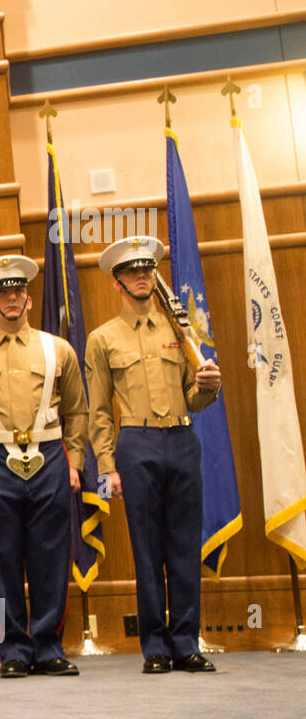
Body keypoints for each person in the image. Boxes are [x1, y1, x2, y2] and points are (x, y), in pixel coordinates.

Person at [0, 255, 89, 680]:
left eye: (19, 290)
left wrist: (75, 461)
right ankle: (12, 650)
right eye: (2, 292)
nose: (13, 298)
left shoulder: (57, 349)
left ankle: (48, 646)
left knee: (51, 554)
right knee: (1, 559)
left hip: (50, 458)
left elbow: (78, 412)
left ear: (28, 298)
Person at [84, 236, 222, 674]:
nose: (141, 276)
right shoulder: (102, 339)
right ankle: (155, 646)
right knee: (146, 549)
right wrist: (106, 469)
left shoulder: (180, 331)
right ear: (117, 281)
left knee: (184, 544)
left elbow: (191, 397)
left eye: (147, 269)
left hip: (181, 440)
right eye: (132, 271)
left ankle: (186, 641)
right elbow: (99, 411)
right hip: (137, 444)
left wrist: (208, 389)